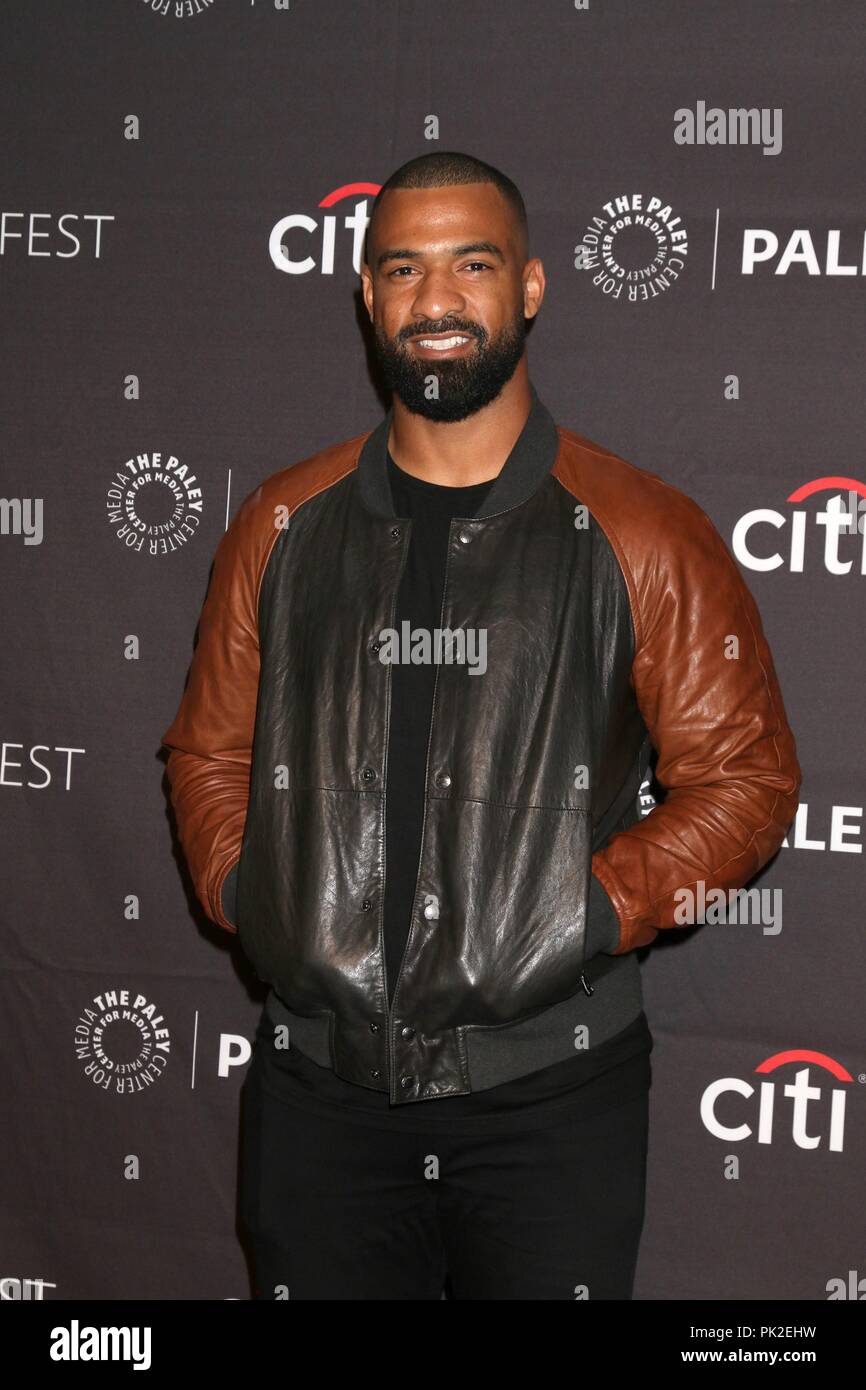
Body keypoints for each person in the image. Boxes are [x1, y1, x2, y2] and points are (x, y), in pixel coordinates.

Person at [161, 150, 801, 1300]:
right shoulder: (278, 525)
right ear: (366, 297)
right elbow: (211, 750)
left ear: (531, 287)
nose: (436, 298)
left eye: (471, 263)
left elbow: (746, 781)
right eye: (401, 268)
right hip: (318, 1096)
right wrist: (243, 886)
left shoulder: (644, 531)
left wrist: (586, 909)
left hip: (550, 1102)